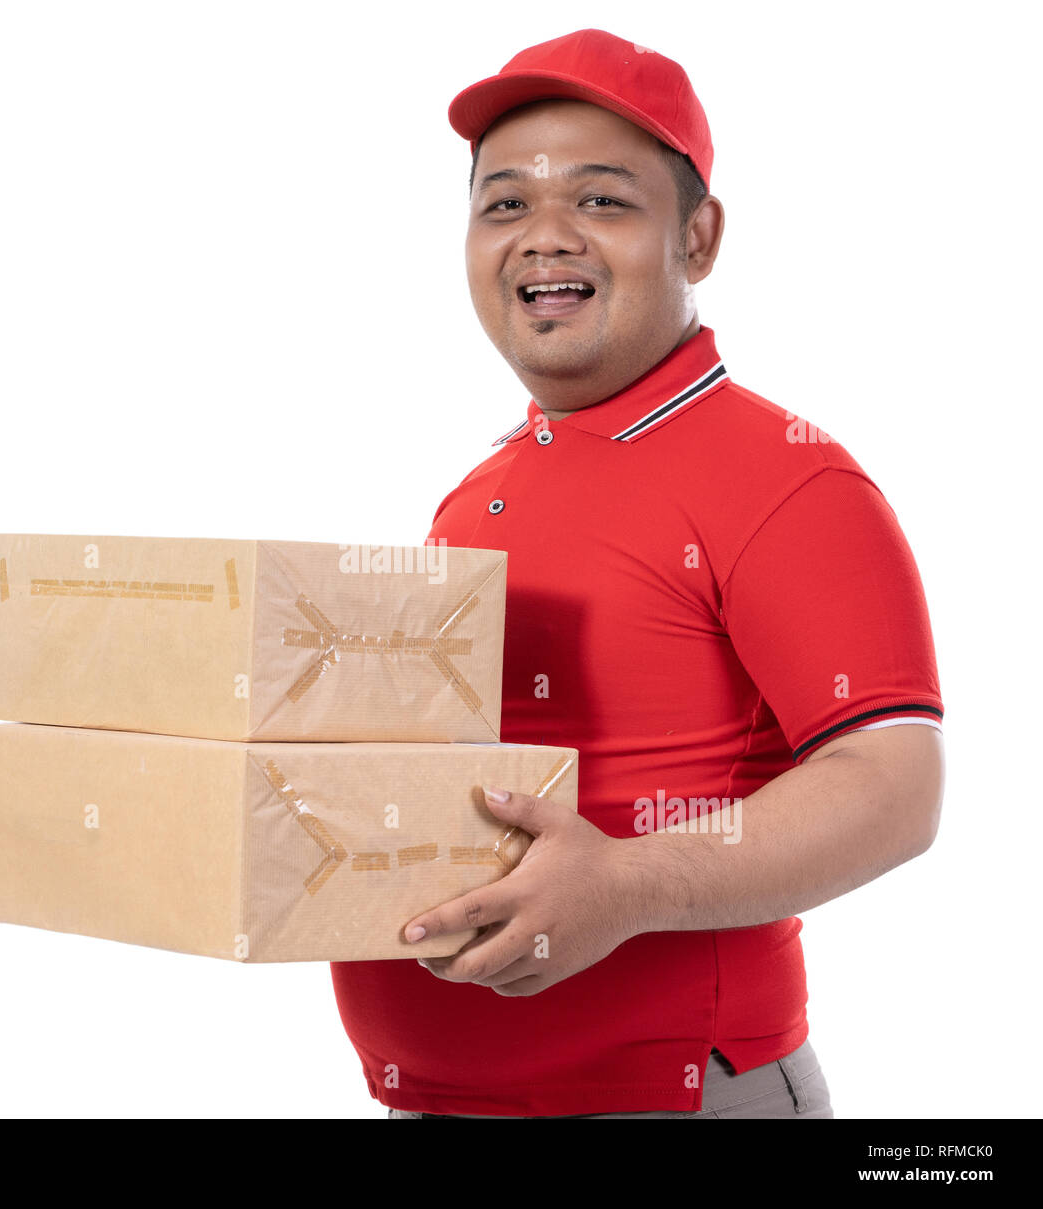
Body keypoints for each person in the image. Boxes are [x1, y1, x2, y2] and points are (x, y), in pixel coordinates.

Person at [328, 28, 946, 1119]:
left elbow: (893, 787)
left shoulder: (785, 478)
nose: (542, 236)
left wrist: (627, 884)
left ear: (698, 239)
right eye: (504, 204)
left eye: (602, 201)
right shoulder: (482, 490)